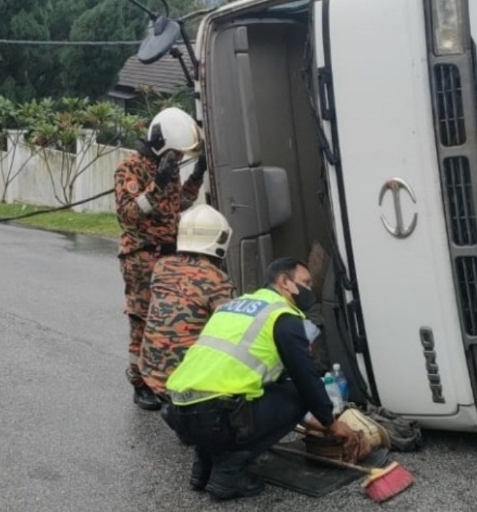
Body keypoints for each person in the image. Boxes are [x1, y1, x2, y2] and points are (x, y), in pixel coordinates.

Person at [163, 258, 359, 501]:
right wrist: (330, 422)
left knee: (248, 393)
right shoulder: (282, 316)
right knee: (298, 395)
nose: (310, 289)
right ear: (285, 282)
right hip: (215, 418)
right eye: (306, 282)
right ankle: (229, 473)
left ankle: (203, 467)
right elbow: (305, 377)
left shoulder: (234, 306)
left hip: (178, 412)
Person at [115, 107, 207, 411]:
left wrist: (195, 176)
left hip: (168, 256)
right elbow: (129, 214)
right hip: (141, 257)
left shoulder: (169, 169)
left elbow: (178, 204)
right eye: (177, 154)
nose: (180, 160)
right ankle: (139, 383)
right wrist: (157, 184)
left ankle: (161, 377)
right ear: (163, 145)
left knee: (166, 318)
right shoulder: (130, 169)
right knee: (141, 319)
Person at [138, 204, 236, 401]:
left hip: (150, 374)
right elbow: (231, 329)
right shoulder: (216, 279)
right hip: (185, 382)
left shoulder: (161, 266)